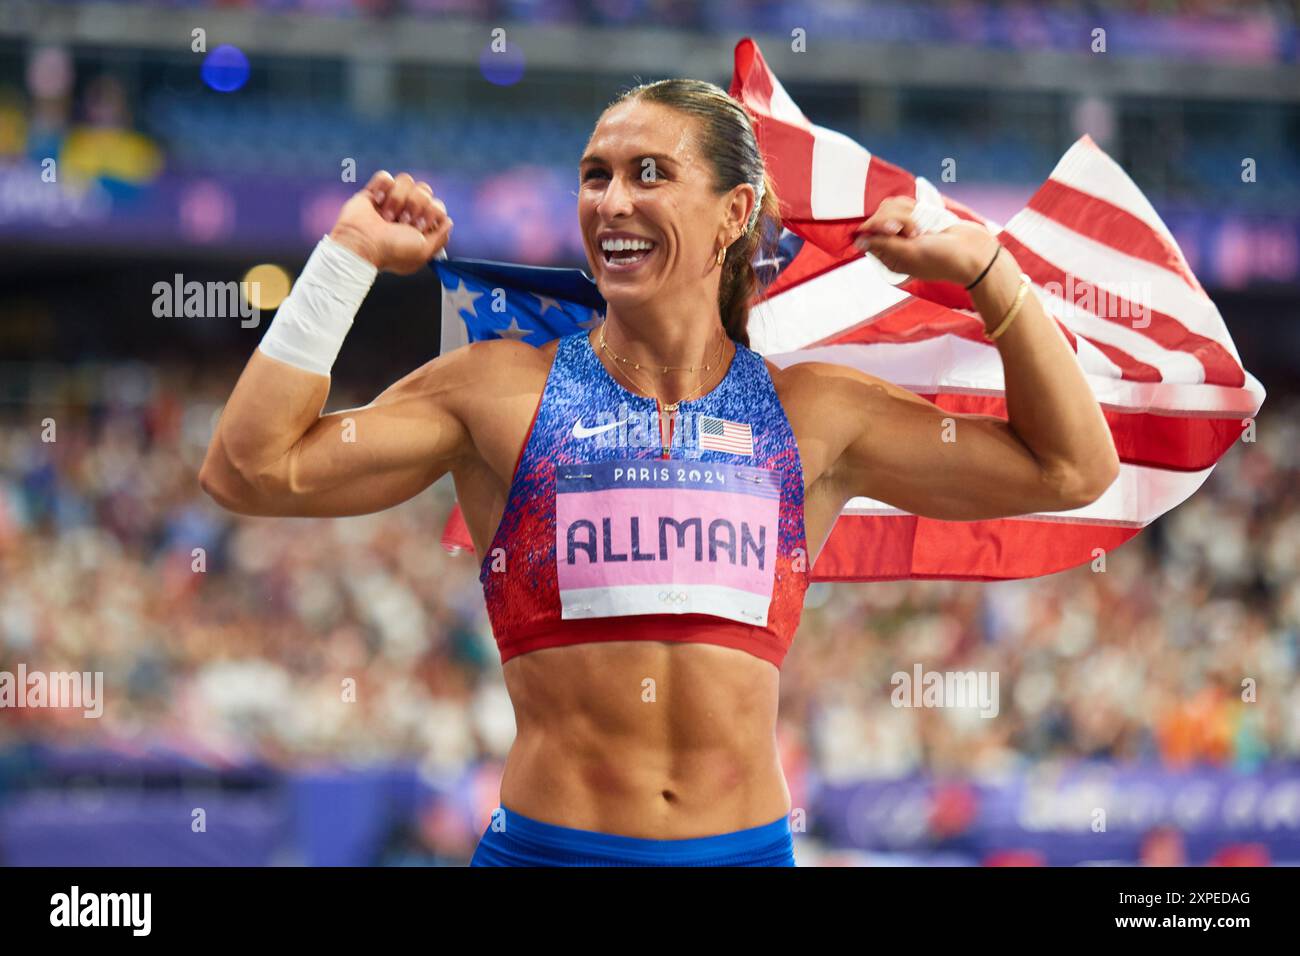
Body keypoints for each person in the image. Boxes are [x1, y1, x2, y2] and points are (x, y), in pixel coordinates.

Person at [199, 78, 1119, 866]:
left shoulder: (818, 415)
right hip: (549, 853)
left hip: (744, 853)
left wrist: (990, 276)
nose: (612, 201)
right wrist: (345, 258)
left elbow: (1074, 469)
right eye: (595, 175)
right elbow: (249, 470)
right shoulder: (495, 393)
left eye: (650, 173)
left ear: (733, 213)